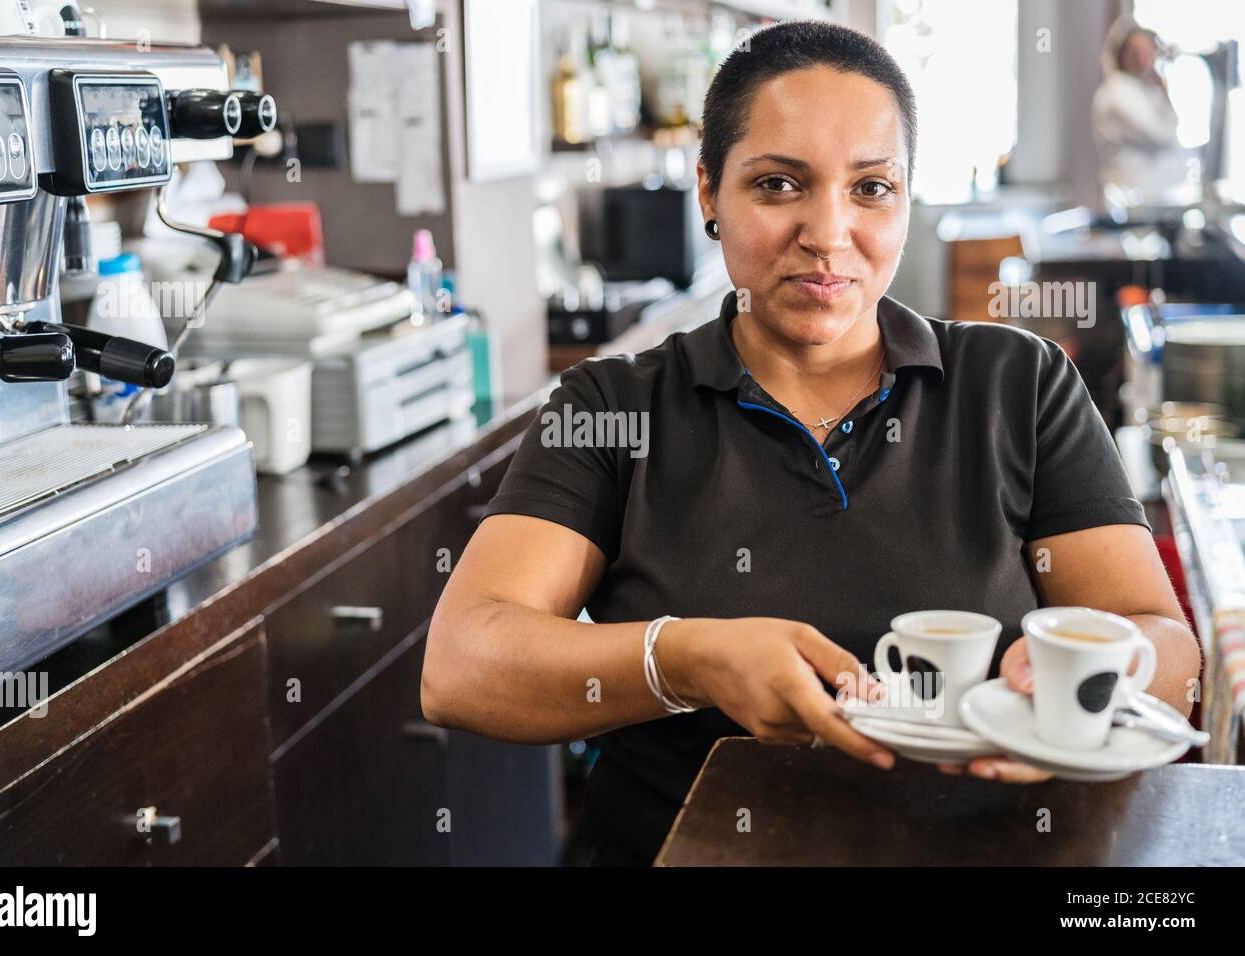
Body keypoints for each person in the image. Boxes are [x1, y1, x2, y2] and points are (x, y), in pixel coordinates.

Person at [422, 20, 1201, 867]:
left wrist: (1086, 683)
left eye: (871, 188)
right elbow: (462, 665)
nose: (829, 233)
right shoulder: (615, 405)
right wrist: (686, 658)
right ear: (709, 193)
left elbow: (1159, 635)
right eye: (780, 184)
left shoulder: (1020, 383)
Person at [1092, 17, 1192, 204]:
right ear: (1121, 53)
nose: (1143, 58)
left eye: (1148, 51)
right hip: (1133, 197)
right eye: (1136, 51)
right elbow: (1162, 134)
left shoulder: (1144, 89)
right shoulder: (1117, 92)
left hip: (1155, 196)